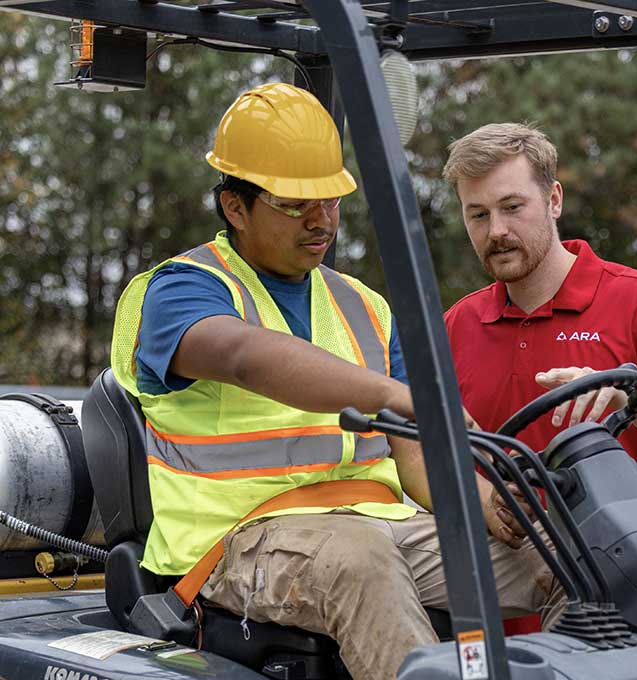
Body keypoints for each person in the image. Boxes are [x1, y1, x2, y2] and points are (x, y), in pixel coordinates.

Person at [110, 84, 564, 680]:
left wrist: (483, 503)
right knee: (361, 561)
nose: (320, 220)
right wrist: (396, 394)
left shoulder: (365, 306)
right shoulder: (183, 289)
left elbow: (413, 457)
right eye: (294, 203)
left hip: (378, 525)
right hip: (242, 545)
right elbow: (247, 357)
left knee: (564, 554)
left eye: (330, 199)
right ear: (235, 207)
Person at [442, 123, 637, 634]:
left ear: (554, 199)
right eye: (478, 214)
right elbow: (434, 458)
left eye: (513, 207)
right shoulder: (458, 325)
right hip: (498, 619)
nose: (496, 232)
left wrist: (633, 394)